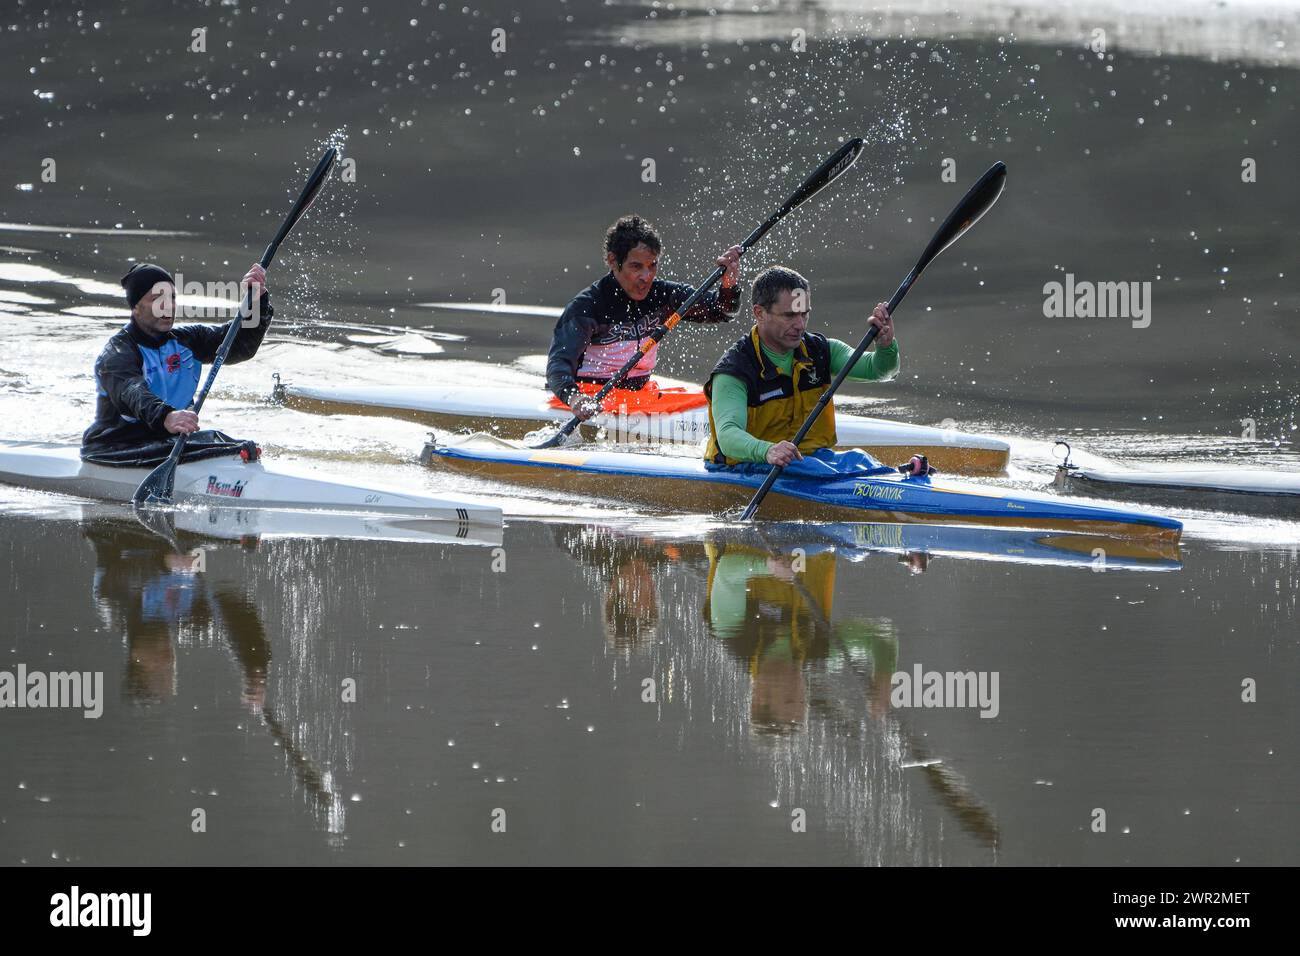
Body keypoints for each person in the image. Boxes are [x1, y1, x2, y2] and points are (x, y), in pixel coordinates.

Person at [546, 214, 742, 420]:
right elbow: (558, 366)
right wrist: (575, 399)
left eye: (652, 265)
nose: (646, 277)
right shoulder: (586, 307)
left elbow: (722, 312)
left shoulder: (664, 296)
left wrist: (728, 284)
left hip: (640, 397)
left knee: (714, 400)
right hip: (592, 398)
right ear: (613, 261)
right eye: (636, 266)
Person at [704, 265, 899, 470]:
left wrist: (885, 346)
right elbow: (728, 436)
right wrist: (768, 451)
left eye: (804, 314)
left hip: (811, 462)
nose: (800, 325)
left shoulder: (821, 350)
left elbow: (880, 371)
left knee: (859, 459)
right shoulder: (735, 370)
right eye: (789, 316)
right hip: (748, 465)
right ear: (759, 313)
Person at [81, 262, 274, 465]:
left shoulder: (189, 340)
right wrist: (166, 416)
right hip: (116, 447)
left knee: (236, 445)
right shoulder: (117, 354)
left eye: (172, 297)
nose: (168, 305)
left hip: (168, 443)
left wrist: (257, 300)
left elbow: (241, 345)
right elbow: (132, 391)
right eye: (157, 299)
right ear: (136, 306)